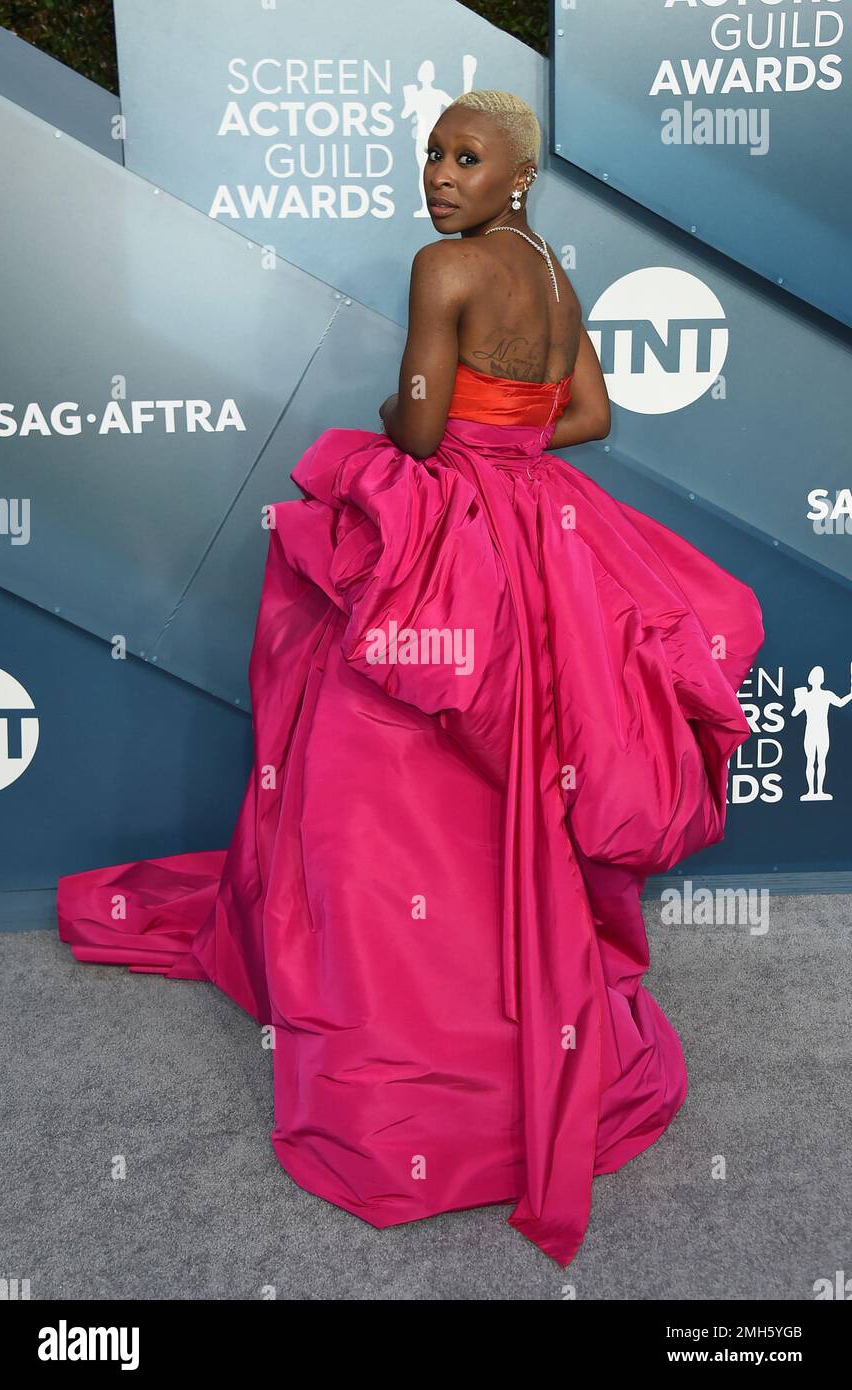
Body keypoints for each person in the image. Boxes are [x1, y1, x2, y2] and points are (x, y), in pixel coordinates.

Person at [57, 90, 765, 1272]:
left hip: (454, 528)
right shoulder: (547, 270)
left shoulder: (448, 268)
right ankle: (506, 1026)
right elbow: (589, 413)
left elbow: (422, 433)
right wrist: (517, 436)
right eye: (433, 154)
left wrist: (419, 415)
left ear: (516, 176)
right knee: (514, 785)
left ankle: (417, 1053)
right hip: (542, 533)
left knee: (373, 772)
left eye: (466, 156)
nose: (440, 174)